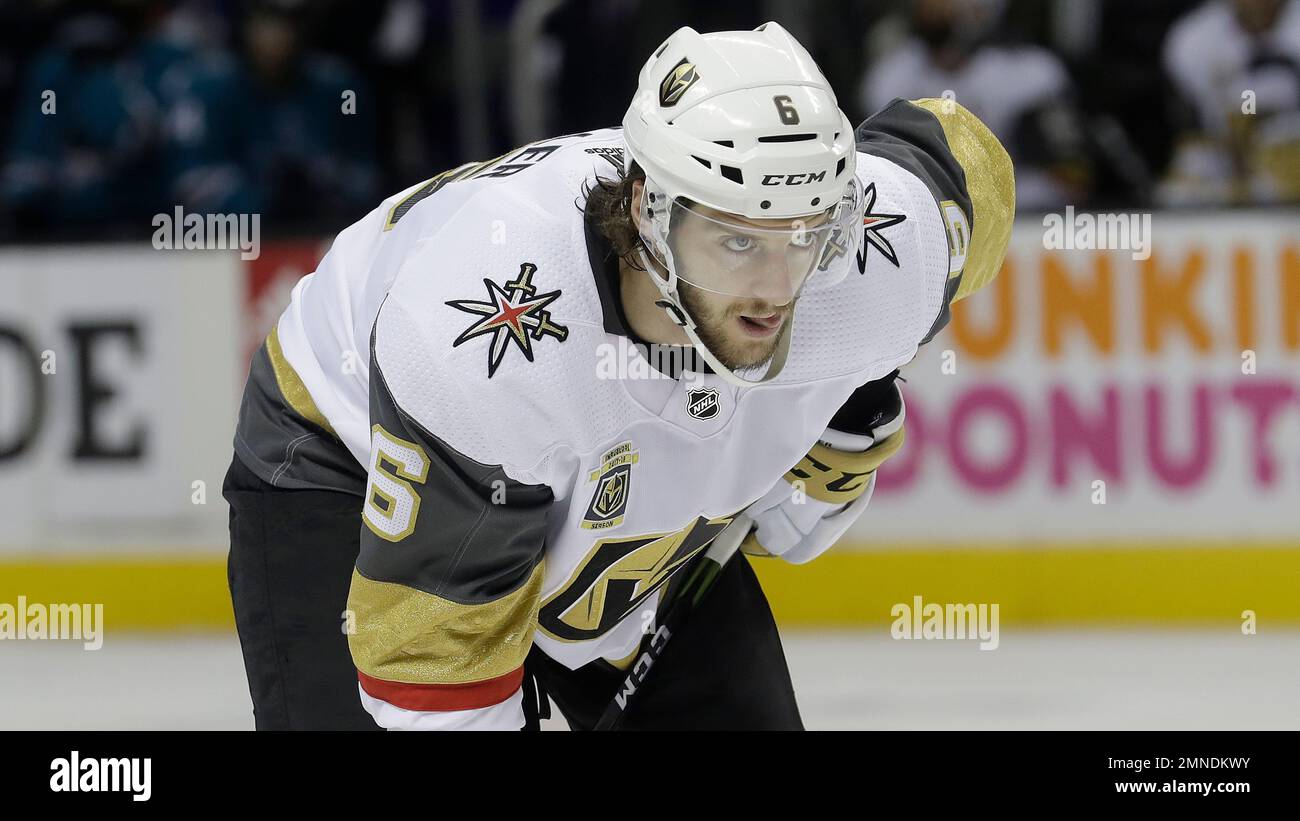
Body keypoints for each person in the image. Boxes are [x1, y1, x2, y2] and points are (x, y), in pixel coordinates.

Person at [223, 21, 1014, 730]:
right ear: (647, 210)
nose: (776, 289)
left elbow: (962, 156)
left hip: (595, 490)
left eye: (804, 236)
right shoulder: (484, 347)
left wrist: (854, 388)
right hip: (346, 449)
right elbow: (428, 679)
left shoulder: (879, 260)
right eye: (737, 242)